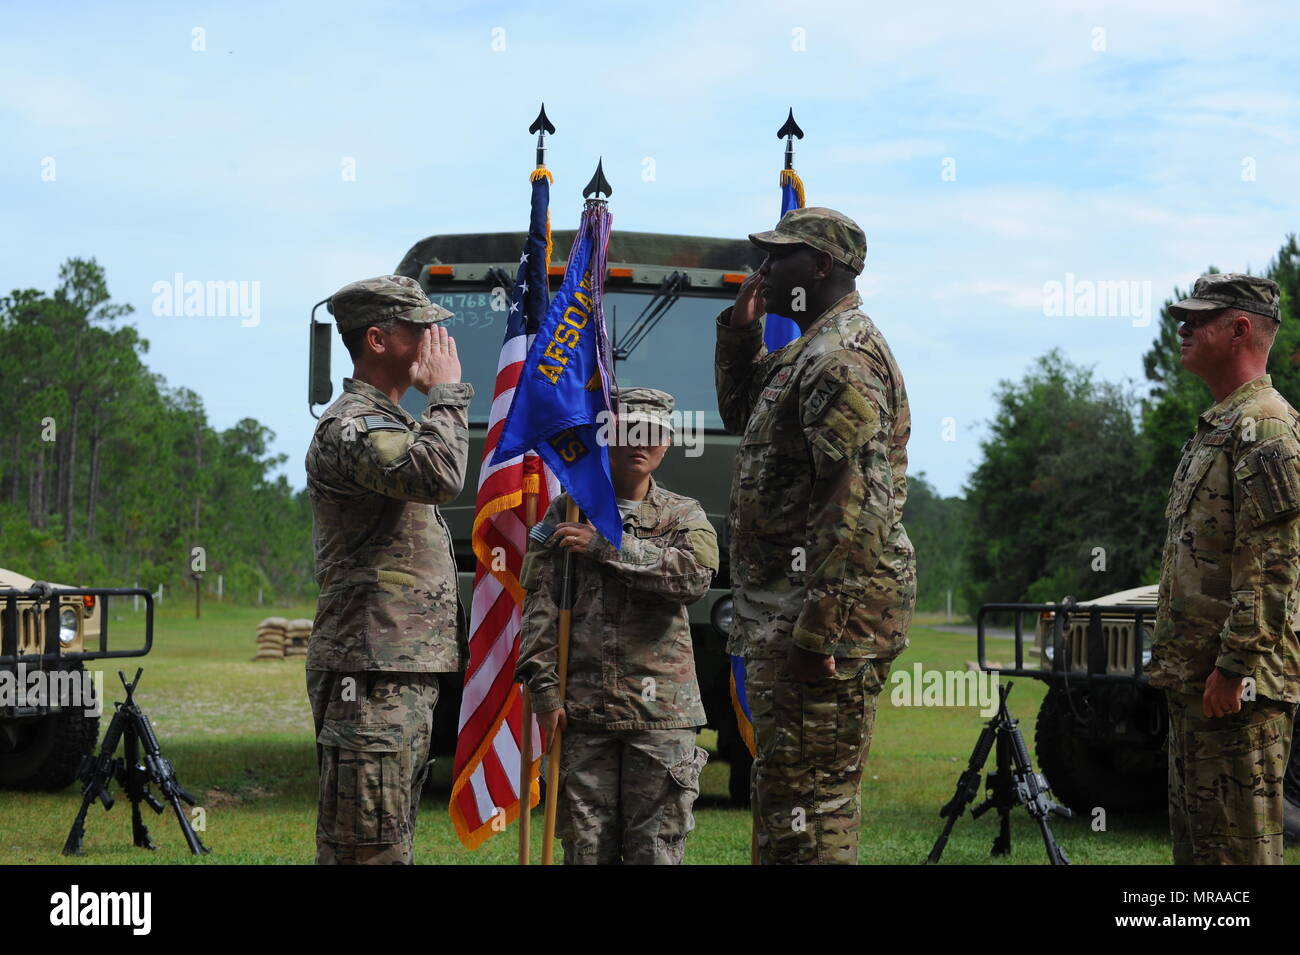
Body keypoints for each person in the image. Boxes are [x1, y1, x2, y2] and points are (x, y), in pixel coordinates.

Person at [714, 207, 914, 864]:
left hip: (818, 624)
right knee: (785, 795)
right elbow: (745, 412)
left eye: (779, 258)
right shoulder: (805, 352)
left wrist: (819, 631)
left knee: (812, 805)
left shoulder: (841, 360)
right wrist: (740, 335)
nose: (762, 271)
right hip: (788, 612)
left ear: (822, 266)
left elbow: (856, 508)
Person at [304, 274, 473, 865]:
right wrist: (447, 396)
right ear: (377, 340)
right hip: (369, 670)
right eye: (420, 326)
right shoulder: (352, 427)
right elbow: (439, 477)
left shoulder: (393, 423)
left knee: (384, 837)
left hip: (392, 667)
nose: (436, 336)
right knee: (366, 847)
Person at [515, 387, 718, 864]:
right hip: (584, 712)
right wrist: (544, 693)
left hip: (661, 716)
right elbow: (540, 610)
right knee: (586, 851)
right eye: (627, 431)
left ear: (667, 443)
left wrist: (607, 545)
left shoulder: (683, 515)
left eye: (652, 434)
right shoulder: (566, 512)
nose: (639, 444)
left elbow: (694, 579)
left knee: (656, 851)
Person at [1146, 272, 1299, 865]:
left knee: (1238, 858)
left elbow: (1271, 565)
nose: (1182, 328)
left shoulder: (1264, 425)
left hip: (1239, 690)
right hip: (1201, 683)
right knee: (1202, 856)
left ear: (1239, 329)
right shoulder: (1223, 424)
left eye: (1197, 319)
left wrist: (1233, 667)